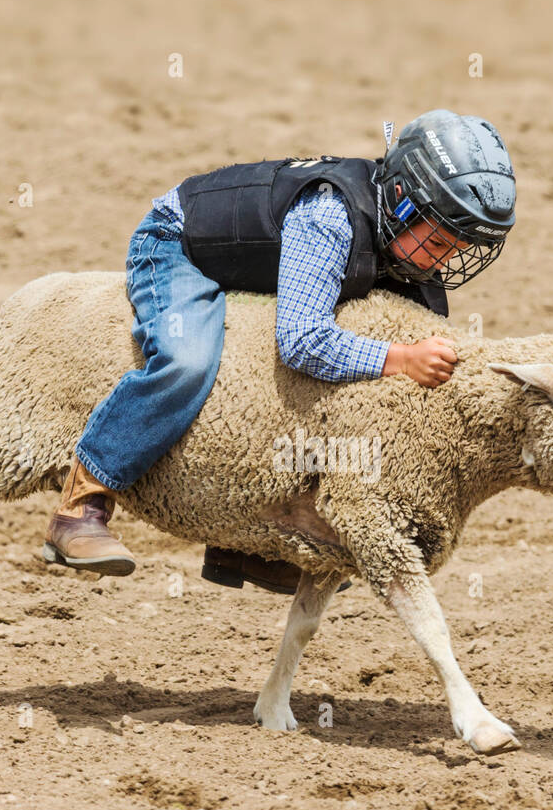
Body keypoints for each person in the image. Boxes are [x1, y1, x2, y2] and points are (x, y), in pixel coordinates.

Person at [42, 109, 516, 593]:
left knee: (307, 388)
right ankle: (82, 503)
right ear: (402, 203)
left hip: (258, 271)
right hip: (179, 246)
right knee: (187, 362)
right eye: (438, 241)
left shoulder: (410, 257)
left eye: (458, 248)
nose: (445, 260)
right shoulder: (329, 217)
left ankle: (247, 546)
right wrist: (399, 358)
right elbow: (302, 341)